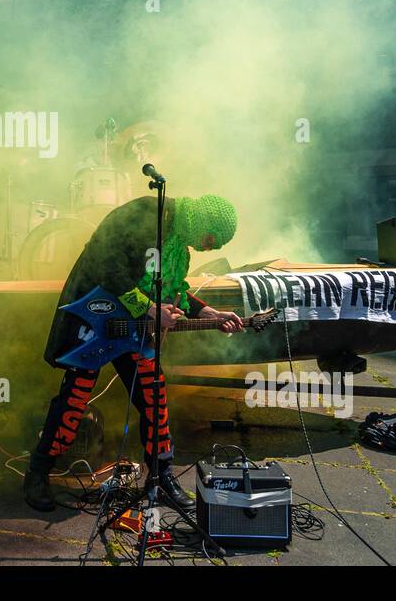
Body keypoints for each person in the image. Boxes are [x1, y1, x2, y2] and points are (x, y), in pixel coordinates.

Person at [23, 193, 245, 512]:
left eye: (216, 246)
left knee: (155, 399)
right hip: (94, 319)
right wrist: (151, 309)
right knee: (73, 400)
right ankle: (38, 472)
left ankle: (161, 476)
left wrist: (209, 312)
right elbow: (108, 268)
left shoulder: (178, 249)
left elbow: (173, 292)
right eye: (212, 239)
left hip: (134, 331)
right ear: (202, 221)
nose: (210, 248)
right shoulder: (146, 214)